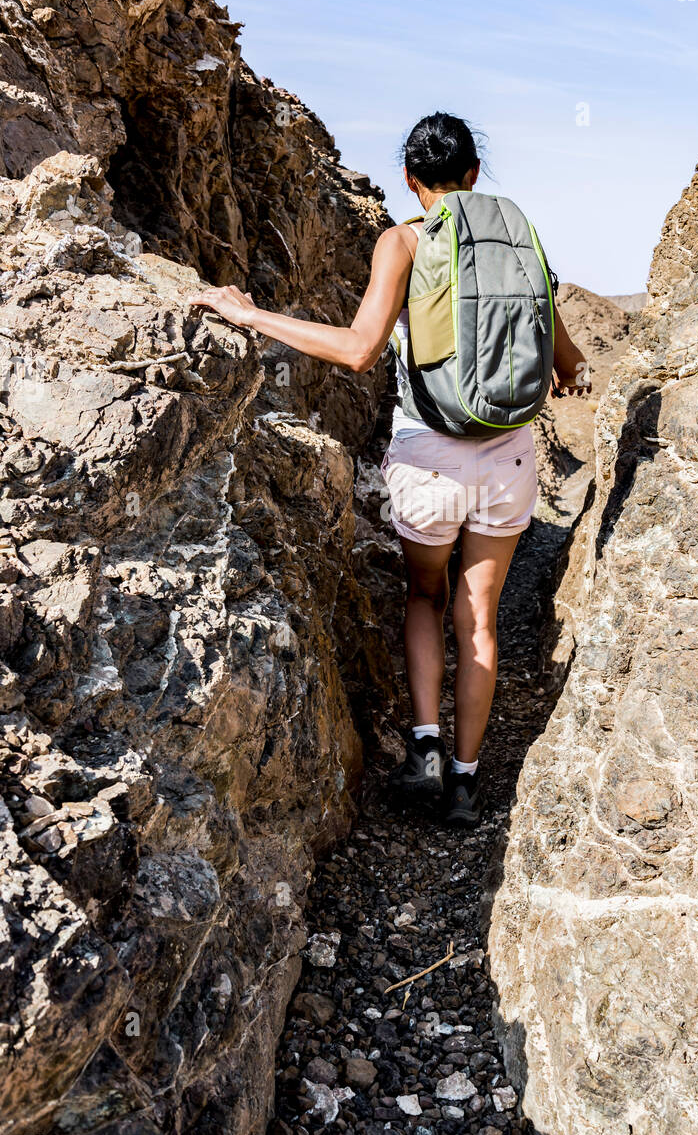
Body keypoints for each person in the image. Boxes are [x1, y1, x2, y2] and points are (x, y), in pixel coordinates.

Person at [190, 112, 589, 827]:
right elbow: (569, 366)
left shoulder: (403, 239)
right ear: (474, 175)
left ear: (411, 179)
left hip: (428, 456)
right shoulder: (518, 240)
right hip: (511, 457)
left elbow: (357, 349)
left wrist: (251, 316)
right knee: (480, 621)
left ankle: (427, 747)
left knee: (424, 598)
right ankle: (466, 785)